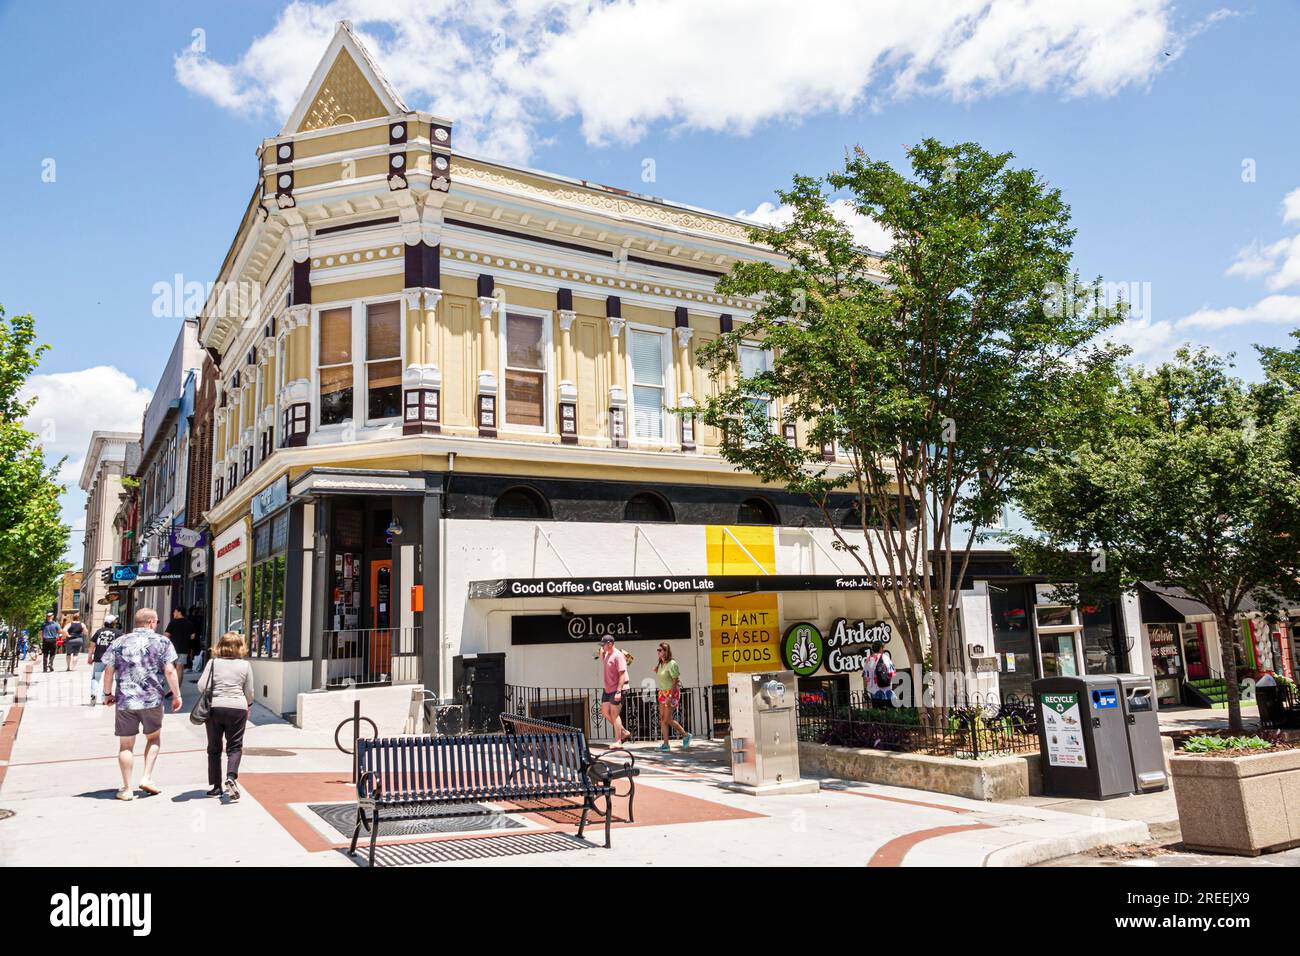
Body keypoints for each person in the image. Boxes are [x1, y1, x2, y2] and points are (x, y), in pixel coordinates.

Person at [101, 608, 182, 801]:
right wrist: (177, 695)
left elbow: (108, 671)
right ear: (152, 622)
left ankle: (127, 788)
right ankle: (146, 777)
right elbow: (170, 671)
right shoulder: (162, 641)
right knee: (153, 738)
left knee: (126, 745)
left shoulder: (119, 641)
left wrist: (107, 694)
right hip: (151, 699)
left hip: (125, 700)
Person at [198, 631, 255, 801]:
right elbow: (250, 692)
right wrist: (248, 705)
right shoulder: (245, 665)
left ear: (220, 646)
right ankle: (231, 777)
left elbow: (201, 686)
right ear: (240, 647)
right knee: (235, 746)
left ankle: (216, 787)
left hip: (215, 707)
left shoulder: (213, 663)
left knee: (214, 748)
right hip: (237, 707)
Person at [653, 642, 692, 752]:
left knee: (667, 719)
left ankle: (685, 735)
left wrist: (670, 696)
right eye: (658, 650)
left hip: (671, 693)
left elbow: (675, 681)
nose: (658, 652)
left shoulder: (672, 663)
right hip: (662, 693)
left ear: (666, 651)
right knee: (662, 719)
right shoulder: (661, 663)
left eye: (660, 650)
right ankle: (666, 745)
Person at [599, 636, 633, 744]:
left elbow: (622, 675)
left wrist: (618, 691)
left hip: (618, 688)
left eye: (603, 644)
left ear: (610, 644)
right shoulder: (607, 654)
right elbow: (603, 657)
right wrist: (602, 652)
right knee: (605, 712)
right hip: (608, 689)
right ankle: (624, 731)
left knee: (614, 714)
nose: (602, 647)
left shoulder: (618, 655)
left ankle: (618, 741)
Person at [87, 614, 122, 705]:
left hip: (99, 658)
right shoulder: (118, 633)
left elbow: (92, 644)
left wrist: (90, 656)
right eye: (115, 621)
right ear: (113, 623)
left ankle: (93, 694)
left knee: (96, 678)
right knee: (108, 678)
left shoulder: (99, 632)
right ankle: (104, 698)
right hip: (111, 659)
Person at [165, 608, 196, 682]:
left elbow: (166, 635)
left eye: (175, 612)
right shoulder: (189, 623)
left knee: (171, 669)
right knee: (180, 670)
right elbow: (193, 636)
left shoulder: (173, 623)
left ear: (179, 612)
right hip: (183, 649)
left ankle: (172, 689)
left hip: (172, 649)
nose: (173, 613)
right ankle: (177, 690)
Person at [863, 642, 896, 706]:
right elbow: (892, 673)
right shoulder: (885, 658)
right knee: (891, 713)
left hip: (874, 692)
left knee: (878, 713)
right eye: (882, 648)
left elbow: (866, 679)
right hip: (887, 691)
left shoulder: (868, 660)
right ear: (880, 648)